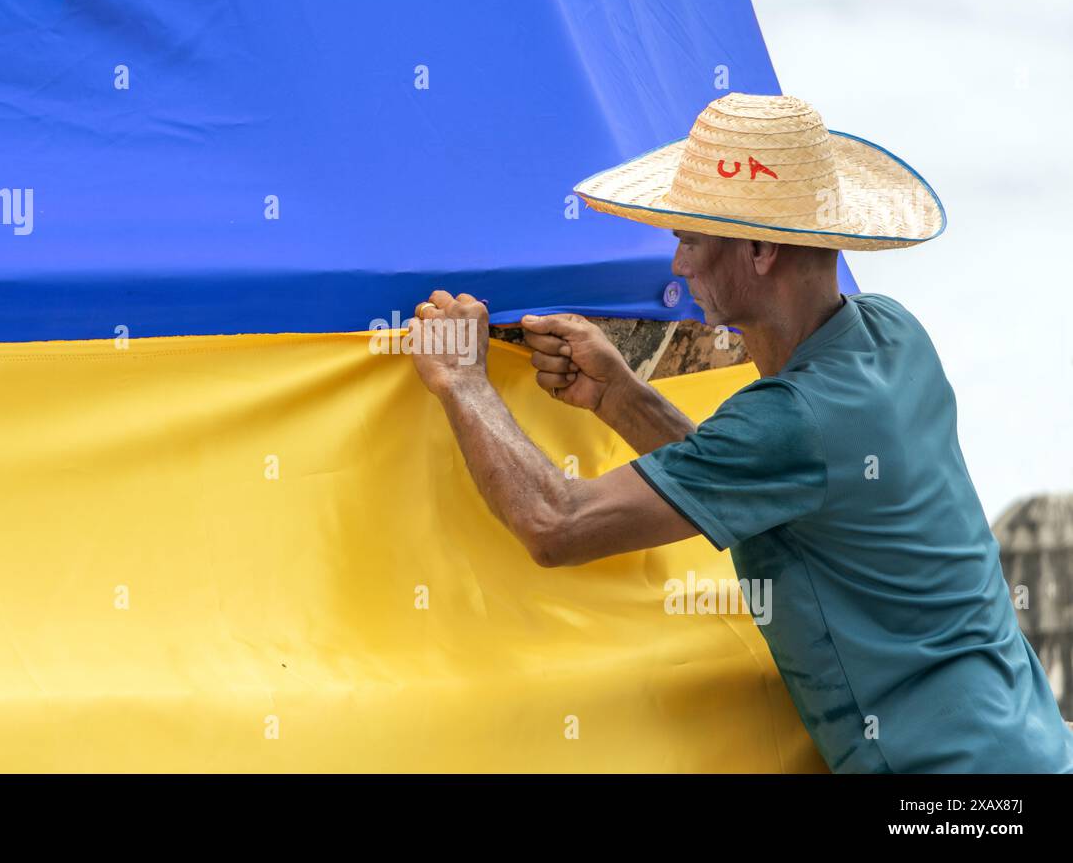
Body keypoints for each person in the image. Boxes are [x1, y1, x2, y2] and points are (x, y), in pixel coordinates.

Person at [405, 92, 1073, 773]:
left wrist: (463, 382)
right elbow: (759, 480)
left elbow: (556, 524)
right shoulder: (893, 334)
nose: (678, 266)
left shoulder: (792, 419)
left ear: (758, 247)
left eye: (690, 239)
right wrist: (619, 396)